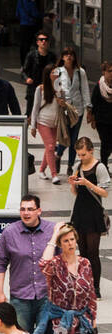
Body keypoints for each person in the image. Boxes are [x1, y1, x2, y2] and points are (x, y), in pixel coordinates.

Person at [0, 193, 53, 334]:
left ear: (39, 211)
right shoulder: (10, 233)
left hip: (46, 295)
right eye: (22, 209)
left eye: (29, 209)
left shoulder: (51, 231)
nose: (25, 213)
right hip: (20, 295)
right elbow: (1, 262)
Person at [67, 136, 109, 298]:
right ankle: (83, 285)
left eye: (84, 154)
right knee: (82, 252)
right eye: (79, 154)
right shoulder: (78, 166)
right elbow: (75, 193)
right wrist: (73, 183)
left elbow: (104, 193)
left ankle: (95, 288)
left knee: (93, 252)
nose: (81, 158)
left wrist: (87, 183)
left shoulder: (100, 167)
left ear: (91, 150)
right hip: (79, 212)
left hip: (93, 213)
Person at [54, 46, 90, 176]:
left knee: (74, 140)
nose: (68, 56)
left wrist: (88, 106)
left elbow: (85, 89)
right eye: (66, 54)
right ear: (62, 57)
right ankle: (58, 155)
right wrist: (58, 100)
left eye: (71, 54)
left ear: (74, 57)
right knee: (67, 137)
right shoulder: (58, 71)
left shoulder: (80, 72)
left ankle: (70, 165)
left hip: (78, 109)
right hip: (65, 109)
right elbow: (54, 88)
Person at [23, 31, 56, 124]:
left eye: (46, 40)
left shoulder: (52, 56)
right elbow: (24, 71)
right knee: (30, 112)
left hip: (47, 88)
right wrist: (27, 79)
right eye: (41, 40)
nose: (44, 42)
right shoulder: (31, 55)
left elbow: (57, 71)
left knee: (46, 110)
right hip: (33, 88)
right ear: (37, 42)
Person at [87, 60, 112, 165]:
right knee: (105, 143)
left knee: (110, 144)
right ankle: (104, 166)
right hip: (102, 120)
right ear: (104, 72)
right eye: (109, 71)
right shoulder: (99, 86)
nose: (111, 74)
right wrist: (92, 118)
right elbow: (93, 103)